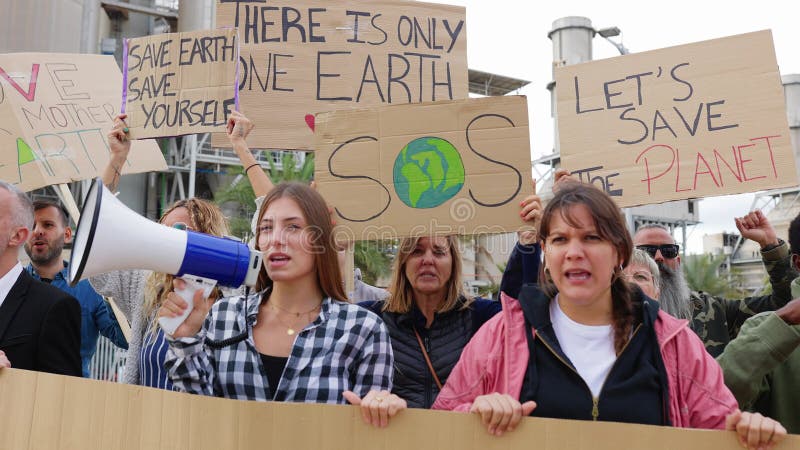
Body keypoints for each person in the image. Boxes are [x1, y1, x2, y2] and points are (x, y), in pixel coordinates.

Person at [432, 182, 786, 450]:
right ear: (545, 252)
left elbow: (718, 427)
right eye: (559, 239)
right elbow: (438, 428)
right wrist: (475, 415)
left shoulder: (673, 342)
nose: (574, 252)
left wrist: (750, 434)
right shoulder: (502, 336)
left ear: (620, 253)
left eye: (591, 238)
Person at [160, 182, 393, 409]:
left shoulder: (362, 329)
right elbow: (199, 412)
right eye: (266, 228)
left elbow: (370, 423)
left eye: (293, 227)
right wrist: (185, 340)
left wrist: (379, 410)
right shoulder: (225, 316)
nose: (276, 239)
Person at [88, 112, 264, 388]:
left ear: (209, 238)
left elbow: (270, 221)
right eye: (164, 231)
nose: (169, 239)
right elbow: (98, 232)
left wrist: (241, 147)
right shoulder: (147, 290)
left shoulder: (236, 294)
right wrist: (117, 159)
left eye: (181, 230)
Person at [357, 184, 542, 412]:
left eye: (438, 252)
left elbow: (517, 314)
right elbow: (326, 314)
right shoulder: (372, 317)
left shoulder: (479, 316)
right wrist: (329, 238)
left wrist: (528, 243)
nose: (427, 260)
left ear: (453, 263)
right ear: (403, 262)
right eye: (416, 251)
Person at [633, 211, 795, 357]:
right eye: (647, 251)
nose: (659, 257)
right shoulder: (618, 316)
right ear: (627, 260)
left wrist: (770, 244)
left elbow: (787, 303)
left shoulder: (712, 310)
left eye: (669, 251)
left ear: (678, 261)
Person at [24, 199, 128, 378]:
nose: (38, 231)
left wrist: (114, 292)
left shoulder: (92, 287)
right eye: (31, 226)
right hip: (16, 389)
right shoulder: (10, 284)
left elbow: (125, 339)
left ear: (67, 235)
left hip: (71, 391)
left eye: (48, 225)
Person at [717, 212, 800, 434]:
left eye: (668, 250)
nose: (659, 257)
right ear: (798, 263)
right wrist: (782, 322)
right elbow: (714, 396)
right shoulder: (767, 329)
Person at [0, 181, 81, 376]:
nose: (40, 231)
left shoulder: (55, 306)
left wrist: (9, 379)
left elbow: (62, 391)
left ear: (17, 236)